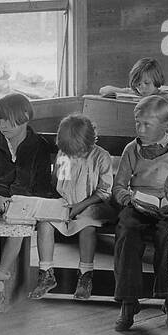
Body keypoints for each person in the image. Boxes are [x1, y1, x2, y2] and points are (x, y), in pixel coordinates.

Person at [0, 92, 57, 315]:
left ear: (25, 117)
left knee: (18, 230)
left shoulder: (40, 146)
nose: (2, 125)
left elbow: (41, 184)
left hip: (22, 202)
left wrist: (20, 202)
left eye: (7, 120)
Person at [29, 114, 117, 302]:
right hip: (65, 201)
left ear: (89, 142)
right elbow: (57, 182)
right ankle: (46, 274)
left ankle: (85, 275)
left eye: (76, 151)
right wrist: (56, 202)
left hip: (92, 203)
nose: (72, 155)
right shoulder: (64, 154)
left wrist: (79, 206)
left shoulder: (101, 157)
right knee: (45, 223)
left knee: (87, 227)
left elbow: (104, 191)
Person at [112, 95, 168, 332]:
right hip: (139, 204)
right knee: (127, 232)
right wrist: (127, 198)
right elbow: (119, 185)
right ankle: (129, 301)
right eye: (137, 123)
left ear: (166, 125)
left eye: (146, 124)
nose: (140, 129)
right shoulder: (132, 149)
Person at [99, 58, 165, 98]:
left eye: (147, 83)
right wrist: (122, 91)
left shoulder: (165, 94)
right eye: (138, 84)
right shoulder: (135, 93)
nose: (142, 88)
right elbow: (103, 90)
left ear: (156, 79)